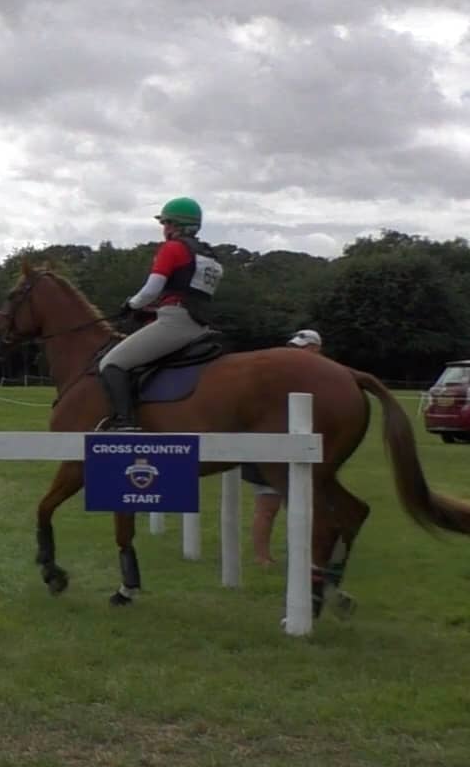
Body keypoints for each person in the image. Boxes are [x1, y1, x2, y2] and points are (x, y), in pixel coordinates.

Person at [98, 197, 226, 430]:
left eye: (166, 223)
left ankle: (123, 422)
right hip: (201, 325)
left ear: (176, 225)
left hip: (176, 323)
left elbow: (152, 289)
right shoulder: (211, 258)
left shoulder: (173, 248)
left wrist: (132, 305)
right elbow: (189, 294)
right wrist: (153, 310)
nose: (164, 229)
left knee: (111, 363)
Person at [244, 329, 326, 564]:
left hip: (307, 450)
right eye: (293, 348)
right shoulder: (276, 375)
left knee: (306, 508)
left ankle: (304, 556)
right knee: (267, 507)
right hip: (271, 448)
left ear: (315, 348)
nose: (295, 353)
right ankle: (263, 559)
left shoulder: (326, 378)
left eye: (301, 348)